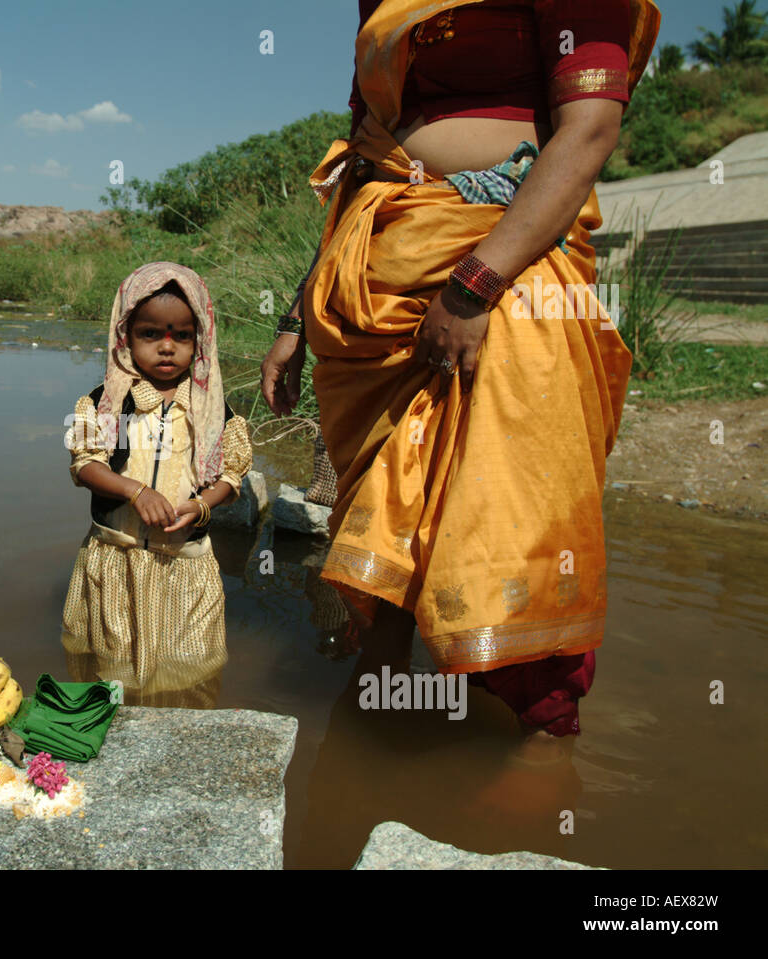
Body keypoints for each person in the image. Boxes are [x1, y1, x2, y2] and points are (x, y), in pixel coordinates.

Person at [258, 1, 660, 757]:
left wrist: (474, 284)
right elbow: (364, 159)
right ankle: (370, 733)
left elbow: (589, 130)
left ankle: (531, 753)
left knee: (508, 513)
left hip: (509, 271)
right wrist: (293, 317)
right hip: (375, 281)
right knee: (384, 517)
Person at [63, 262, 253, 698]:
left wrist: (203, 504)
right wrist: (136, 491)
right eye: (151, 334)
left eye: (181, 336)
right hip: (116, 562)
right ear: (125, 335)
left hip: (185, 564)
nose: (167, 348)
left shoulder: (211, 409)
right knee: (112, 681)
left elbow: (230, 474)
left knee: (190, 674)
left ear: (199, 340)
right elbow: (86, 465)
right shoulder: (107, 402)